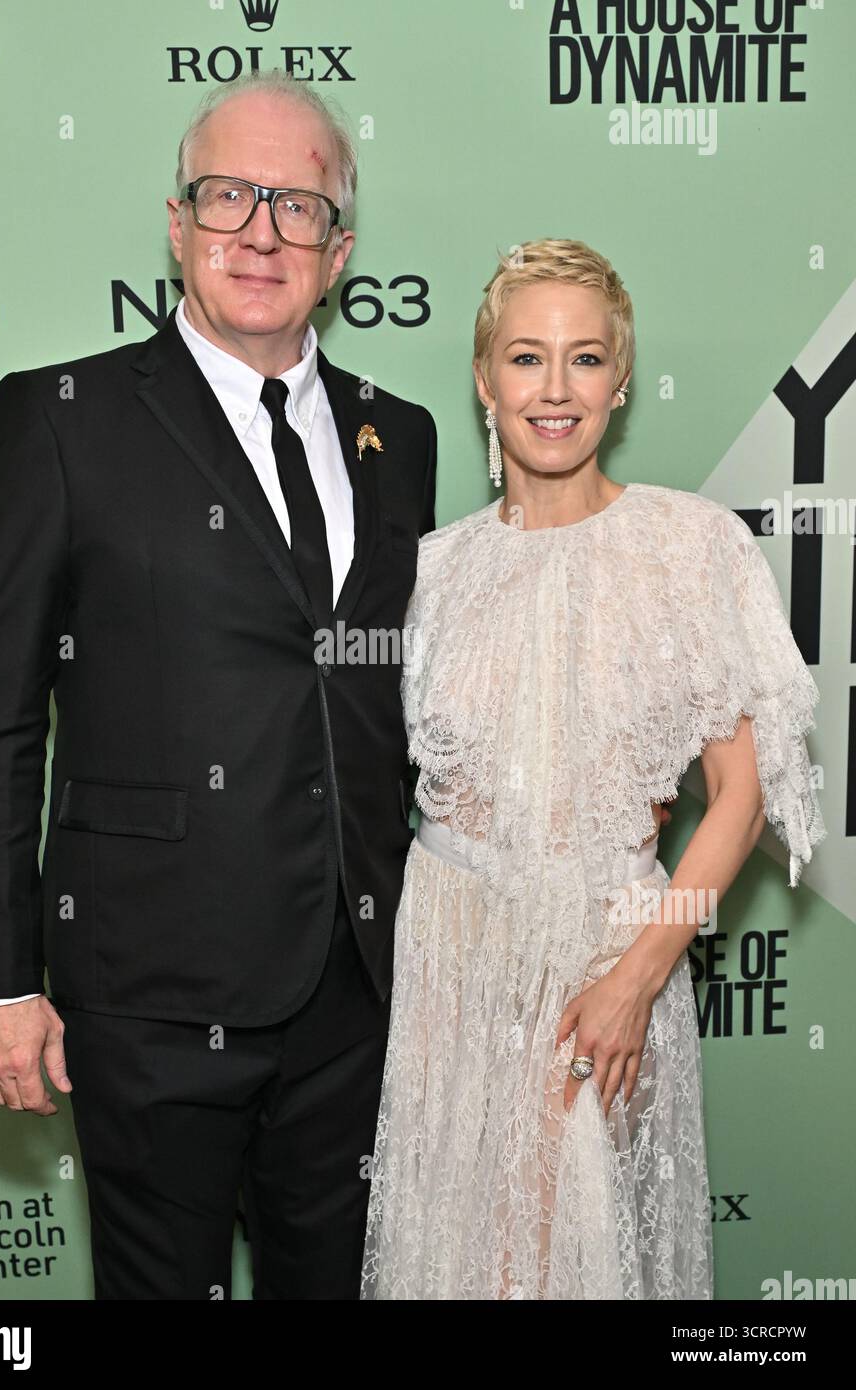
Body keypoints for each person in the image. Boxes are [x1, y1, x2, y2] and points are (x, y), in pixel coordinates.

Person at [0, 70, 436, 1300]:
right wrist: (1, 983)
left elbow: (406, 705)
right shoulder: (61, 418)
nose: (260, 231)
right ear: (177, 225)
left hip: (355, 990)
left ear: (341, 250)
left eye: (297, 205)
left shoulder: (405, 436)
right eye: (228, 196)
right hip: (150, 995)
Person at [359, 238, 826, 1301]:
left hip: (605, 960)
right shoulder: (430, 574)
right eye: (526, 359)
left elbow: (739, 798)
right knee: (461, 1260)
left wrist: (633, 979)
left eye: (583, 359)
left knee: (565, 1257)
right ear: (484, 379)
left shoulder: (687, 546)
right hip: (453, 958)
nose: (554, 390)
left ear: (620, 380)